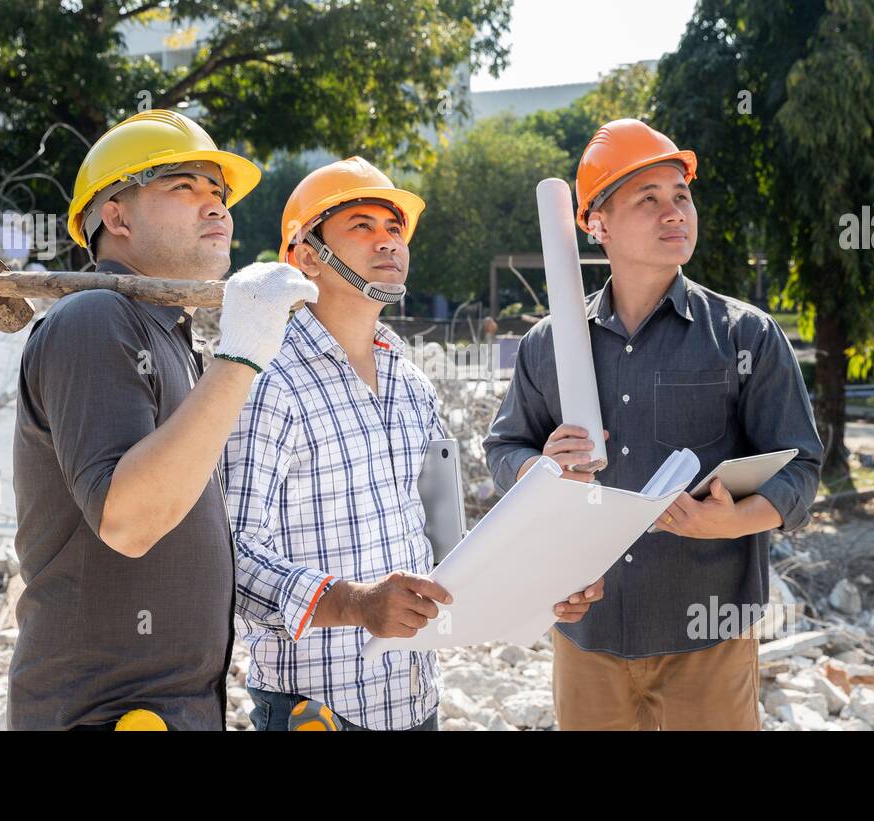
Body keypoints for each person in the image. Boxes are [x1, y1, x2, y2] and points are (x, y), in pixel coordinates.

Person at [223, 157, 602, 731]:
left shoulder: (409, 380)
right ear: (306, 256)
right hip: (315, 712)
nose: (388, 242)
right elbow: (229, 557)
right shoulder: (266, 380)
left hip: (415, 703)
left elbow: (445, 548)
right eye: (361, 226)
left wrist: (541, 581)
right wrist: (355, 603)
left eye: (394, 228)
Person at [483, 119, 823, 730]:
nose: (675, 213)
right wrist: (538, 469)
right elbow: (505, 446)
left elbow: (800, 464)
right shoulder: (549, 345)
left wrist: (736, 519)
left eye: (681, 197)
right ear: (598, 223)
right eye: (649, 199)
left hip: (706, 640)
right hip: (587, 633)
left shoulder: (745, 336)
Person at [8, 109, 317, 730]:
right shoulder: (94, 319)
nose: (217, 209)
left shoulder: (168, 336)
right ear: (116, 216)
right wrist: (243, 353)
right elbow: (130, 521)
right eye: (185, 187)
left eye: (219, 194)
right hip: (101, 714)